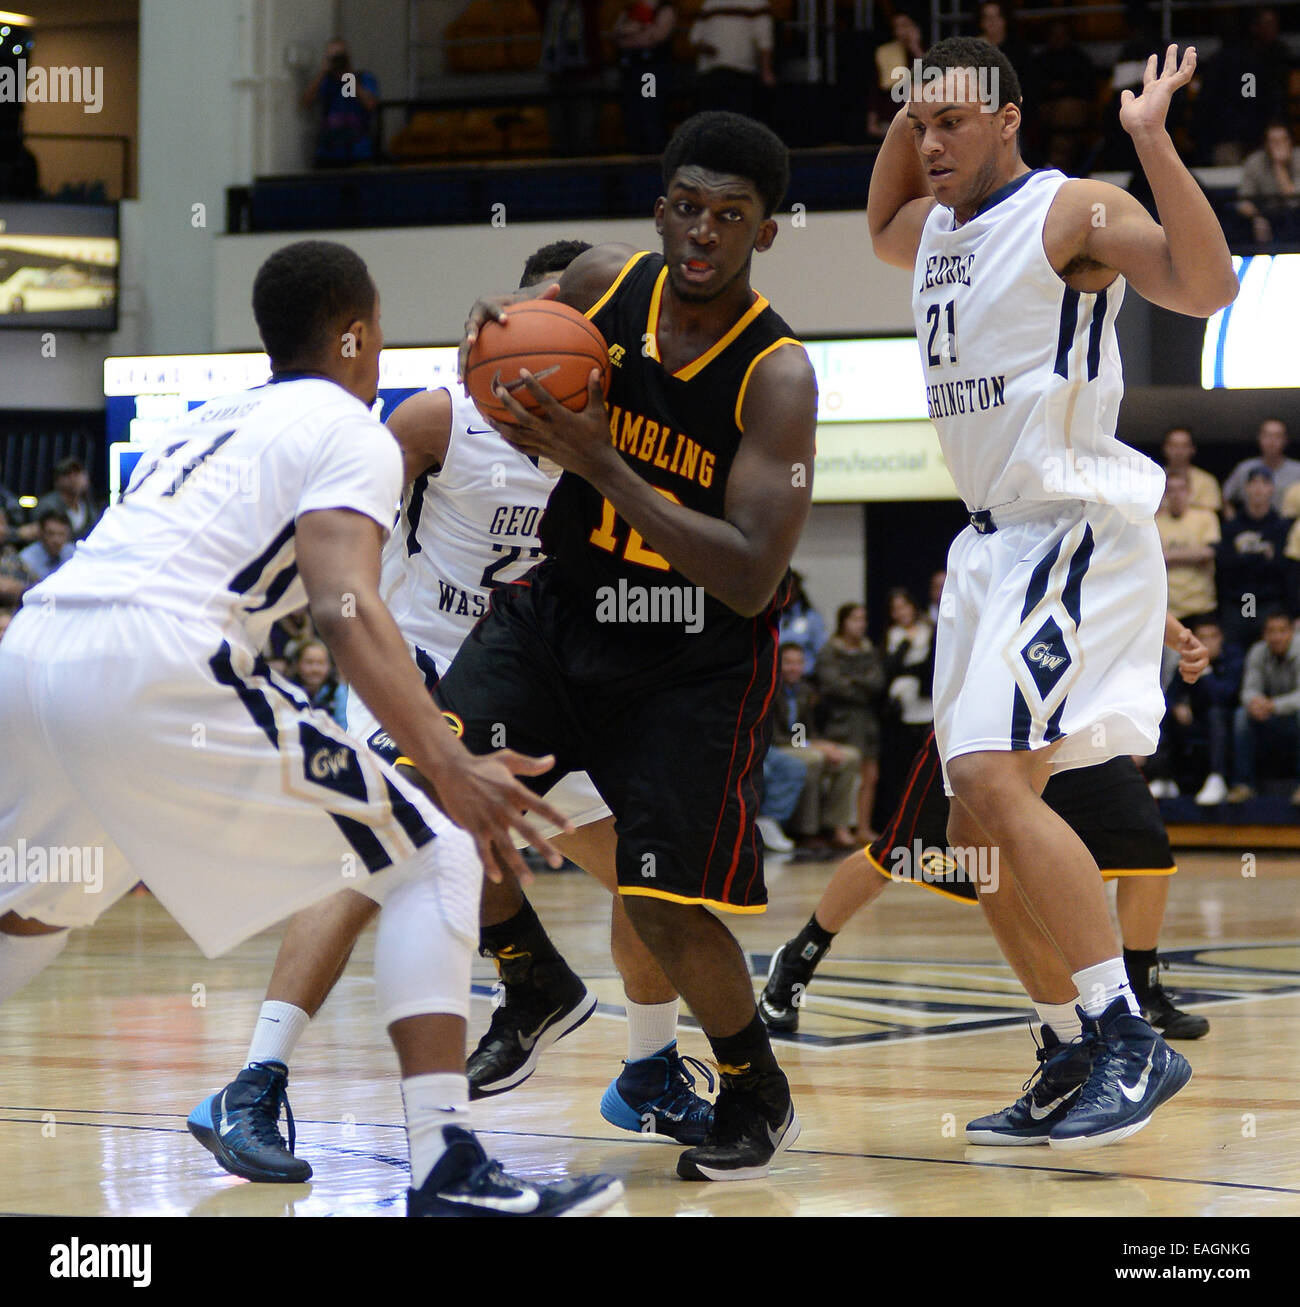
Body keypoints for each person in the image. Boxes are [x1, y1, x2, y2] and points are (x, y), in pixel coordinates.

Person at [0, 239, 621, 1219]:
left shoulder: (213, 421)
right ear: (357, 331)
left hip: (36, 648)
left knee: (39, 907)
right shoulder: (355, 430)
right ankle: (448, 1166)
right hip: (153, 661)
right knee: (432, 847)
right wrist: (448, 759)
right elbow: (344, 605)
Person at [184, 240, 714, 1187]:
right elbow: (339, 529)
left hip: (536, 681)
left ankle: (646, 1066)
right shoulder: (440, 418)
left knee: (655, 874)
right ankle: (253, 1081)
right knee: (365, 856)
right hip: (418, 671)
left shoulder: (612, 433)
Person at [868, 37, 1236, 1148]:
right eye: (917, 123)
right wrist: (913, 92)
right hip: (985, 550)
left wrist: (1151, 142)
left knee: (989, 771)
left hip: (1065, 521)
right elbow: (875, 219)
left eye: (953, 122)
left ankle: (1127, 1031)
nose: (930, 143)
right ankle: (1065, 1043)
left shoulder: (1070, 210)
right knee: (969, 823)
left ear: (1010, 120)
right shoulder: (929, 228)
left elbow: (1207, 283)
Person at [453, 110, 817, 1180]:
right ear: (662, 209)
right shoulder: (599, 287)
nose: (703, 233)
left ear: (765, 232)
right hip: (564, 608)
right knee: (426, 771)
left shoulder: (777, 375)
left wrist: (605, 463)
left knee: (659, 898)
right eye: (688, 208)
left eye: (731, 217)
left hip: (691, 650)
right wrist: (487, 341)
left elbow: (751, 572)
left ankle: (752, 1084)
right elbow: (511, 347)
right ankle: (530, 977)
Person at [763, 615, 1215, 1058]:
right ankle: (799, 957)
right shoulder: (997, 550)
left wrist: (1179, 637)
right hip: (986, 722)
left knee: (1144, 843)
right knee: (897, 855)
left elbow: (1127, 583)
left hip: (1071, 722)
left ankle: (1143, 989)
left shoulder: (1090, 550)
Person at [773, 642, 861, 849]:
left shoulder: (804, 690)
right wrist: (812, 746)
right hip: (775, 746)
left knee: (850, 756)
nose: (794, 668)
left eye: (798, 663)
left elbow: (805, 729)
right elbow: (774, 735)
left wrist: (820, 743)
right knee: (815, 759)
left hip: (797, 743)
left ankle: (838, 826)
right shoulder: (771, 690)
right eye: (788, 663)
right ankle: (807, 830)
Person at [814, 602, 886, 837]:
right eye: (855, 619)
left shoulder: (869, 650)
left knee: (870, 775)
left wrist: (853, 681)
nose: (860, 624)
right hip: (840, 719)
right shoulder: (830, 650)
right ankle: (840, 827)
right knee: (846, 773)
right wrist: (860, 683)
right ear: (843, 622)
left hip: (867, 720)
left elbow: (877, 683)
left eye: (863, 619)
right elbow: (832, 685)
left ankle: (863, 828)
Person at [1154, 615, 1240, 806]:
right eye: (1203, 637)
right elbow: (1171, 694)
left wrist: (1206, 669)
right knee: (1164, 712)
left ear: (1221, 638)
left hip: (1227, 718)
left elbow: (1224, 697)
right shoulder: (1188, 658)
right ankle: (1164, 777)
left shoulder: (1234, 658)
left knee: (1216, 714)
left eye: (1213, 636)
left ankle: (1217, 777)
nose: (1208, 642)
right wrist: (1177, 706)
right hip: (1195, 719)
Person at [1217, 468, 1294, 652]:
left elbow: (1282, 566)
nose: (1258, 488)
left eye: (1264, 483)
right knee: (1233, 650)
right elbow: (1225, 565)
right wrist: (1261, 557)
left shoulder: (1282, 527)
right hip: (1239, 601)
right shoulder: (1231, 527)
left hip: (1269, 601)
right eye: (1254, 483)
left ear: (1272, 489)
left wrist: (1244, 558)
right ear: (1246, 488)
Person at [1228, 608, 1300, 804]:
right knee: (1242, 715)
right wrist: (1254, 703)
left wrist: (1273, 705)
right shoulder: (1258, 651)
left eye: (1282, 631)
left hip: (1291, 715)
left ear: (1291, 632)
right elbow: (1248, 690)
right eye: (1271, 631)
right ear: (1264, 634)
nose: (1277, 637)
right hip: (1269, 717)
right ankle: (1243, 785)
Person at [689, 0, 775, 120]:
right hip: (710, 74)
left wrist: (766, 71)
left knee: (737, 123)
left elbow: (765, 40)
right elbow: (695, 38)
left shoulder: (757, 3)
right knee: (710, 124)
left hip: (740, 74)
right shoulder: (710, 3)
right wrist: (707, 48)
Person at [301, 38, 379, 168]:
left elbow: (370, 104)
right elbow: (306, 103)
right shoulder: (325, 81)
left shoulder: (363, 78)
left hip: (358, 152)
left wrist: (348, 76)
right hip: (328, 154)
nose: (337, 61)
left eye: (340, 56)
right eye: (333, 57)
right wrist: (322, 73)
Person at [611, 2, 676, 154]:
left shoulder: (665, 10)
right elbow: (616, 36)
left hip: (650, 73)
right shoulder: (630, 10)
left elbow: (655, 38)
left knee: (650, 113)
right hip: (631, 72)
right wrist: (640, 30)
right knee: (632, 116)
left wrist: (630, 34)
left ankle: (654, 157)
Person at [1156, 470, 1218, 624]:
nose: (1176, 495)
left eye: (1181, 489)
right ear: (1164, 495)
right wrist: (1191, 555)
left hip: (1201, 605)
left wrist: (1169, 555)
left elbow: (1208, 552)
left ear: (1189, 492)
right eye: (1171, 490)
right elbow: (1153, 559)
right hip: (1168, 608)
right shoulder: (1155, 522)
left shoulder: (1206, 517)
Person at [1236, 122, 1300, 246]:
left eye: (1284, 140)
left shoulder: (1298, 158)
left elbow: (1293, 200)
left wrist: (1279, 165)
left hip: (1295, 215)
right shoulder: (1254, 161)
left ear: (1291, 141)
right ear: (1266, 145)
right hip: (1265, 213)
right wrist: (1257, 217)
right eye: (1274, 141)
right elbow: (1243, 202)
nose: (1280, 145)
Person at [1222, 418, 1300, 517]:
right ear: (1259, 438)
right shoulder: (1244, 468)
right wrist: (1233, 522)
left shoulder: (1298, 470)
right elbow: (1225, 496)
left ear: (1286, 440)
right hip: (1250, 526)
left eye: (1278, 436)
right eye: (1267, 435)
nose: (1272, 440)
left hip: (1286, 527)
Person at [34, 457, 100, 542]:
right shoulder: (46, 506)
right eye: (67, 474)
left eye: (77, 474)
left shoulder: (88, 506)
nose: (74, 479)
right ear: (57, 481)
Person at [1160, 425, 1221, 514]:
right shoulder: (1151, 479)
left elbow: (1210, 514)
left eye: (1184, 446)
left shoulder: (1207, 481)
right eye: (1174, 446)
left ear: (1192, 449)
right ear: (1165, 448)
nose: (1179, 451)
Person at [291, 639, 348, 728]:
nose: (315, 669)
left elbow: (345, 726)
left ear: (329, 666)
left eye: (320, 663)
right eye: (309, 662)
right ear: (297, 664)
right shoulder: (288, 691)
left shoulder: (337, 691)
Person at [778, 569, 827, 669]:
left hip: (805, 677)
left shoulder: (812, 617)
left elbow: (821, 651)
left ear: (798, 590)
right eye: (785, 590)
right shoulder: (770, 617)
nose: (788, 594)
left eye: (792, 589)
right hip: (775, 676)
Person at [18, 508, 75, 583]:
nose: (56, 540)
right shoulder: (26, 559)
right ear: (41, 534)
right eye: (51, 534)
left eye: (61, 534)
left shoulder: (74, 553)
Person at [0, 506, 35, 603]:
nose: (2, 529)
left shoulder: (9, 551)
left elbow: (33, 579)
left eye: (3, 523)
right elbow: (4, 588)